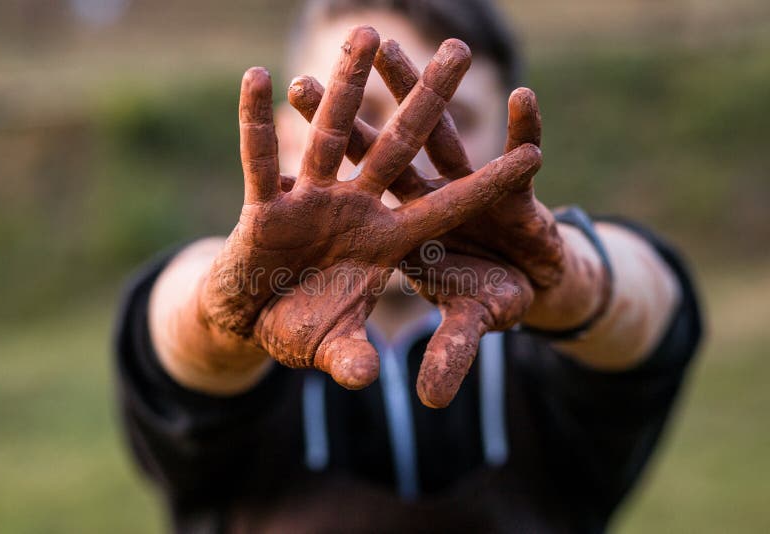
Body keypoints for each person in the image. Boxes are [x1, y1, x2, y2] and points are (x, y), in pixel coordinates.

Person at [114, 0, 702, 532]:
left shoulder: (549, 346)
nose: (406, 150)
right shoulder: (231, 321)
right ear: (290, 140)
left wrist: (565, 281)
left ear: (502, 142)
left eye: (451, 117)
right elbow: (172, 320)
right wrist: (228, 307)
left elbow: (651, 302)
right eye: (360, 113)